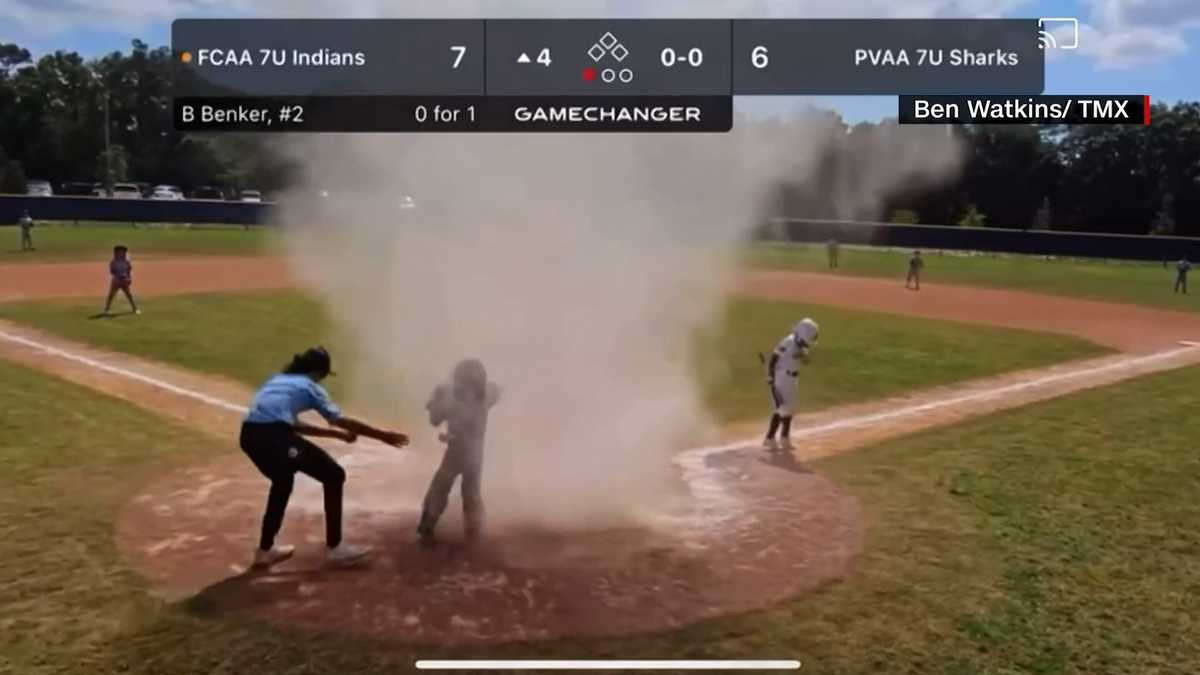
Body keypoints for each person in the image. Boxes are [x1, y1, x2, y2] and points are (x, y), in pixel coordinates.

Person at [240, 346, 409, 569]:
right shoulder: (310, 387)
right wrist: (382, 436)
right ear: (318, 371)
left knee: (282, 482)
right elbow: (340, 419)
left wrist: (335, 435)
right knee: (334, 475)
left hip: (250, 437)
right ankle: (336, 548)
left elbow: (293, 426)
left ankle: (264, 551)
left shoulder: (278, 381)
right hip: (274, 438)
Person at [418, 358, 501, 545]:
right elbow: (436, 420)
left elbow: (435, 419)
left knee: (450, 488)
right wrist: (437, 403)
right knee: (463, 490)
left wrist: (436, 402)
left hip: (468, 452)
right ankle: (469, 531)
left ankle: (430, 525)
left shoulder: (458, 398)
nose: (469, 392)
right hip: (464, 452)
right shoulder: (483, 395)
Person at [763, 318, 819, 451]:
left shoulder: (801, 344)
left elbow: (805, 360)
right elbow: (773, 358)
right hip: (782, 378)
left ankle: (783, 438)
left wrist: (805, 357)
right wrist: (770, 376)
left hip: (793, 378)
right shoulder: (788, 342)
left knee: (789, 409)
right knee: (781, 408)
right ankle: (771, 438)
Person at [102, 245, 140, 315]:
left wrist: (129, 278)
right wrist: (116, 278)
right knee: (111, 295)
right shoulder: (113, 262)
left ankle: (135, 309)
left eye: (123, 252)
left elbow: (129, 269)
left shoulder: (126, 261)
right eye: (120, 252)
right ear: (116, 253)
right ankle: (106, 310)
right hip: (116, 281)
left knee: (129, 295)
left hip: (124, 280)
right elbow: (112, 271)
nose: (122, 253)